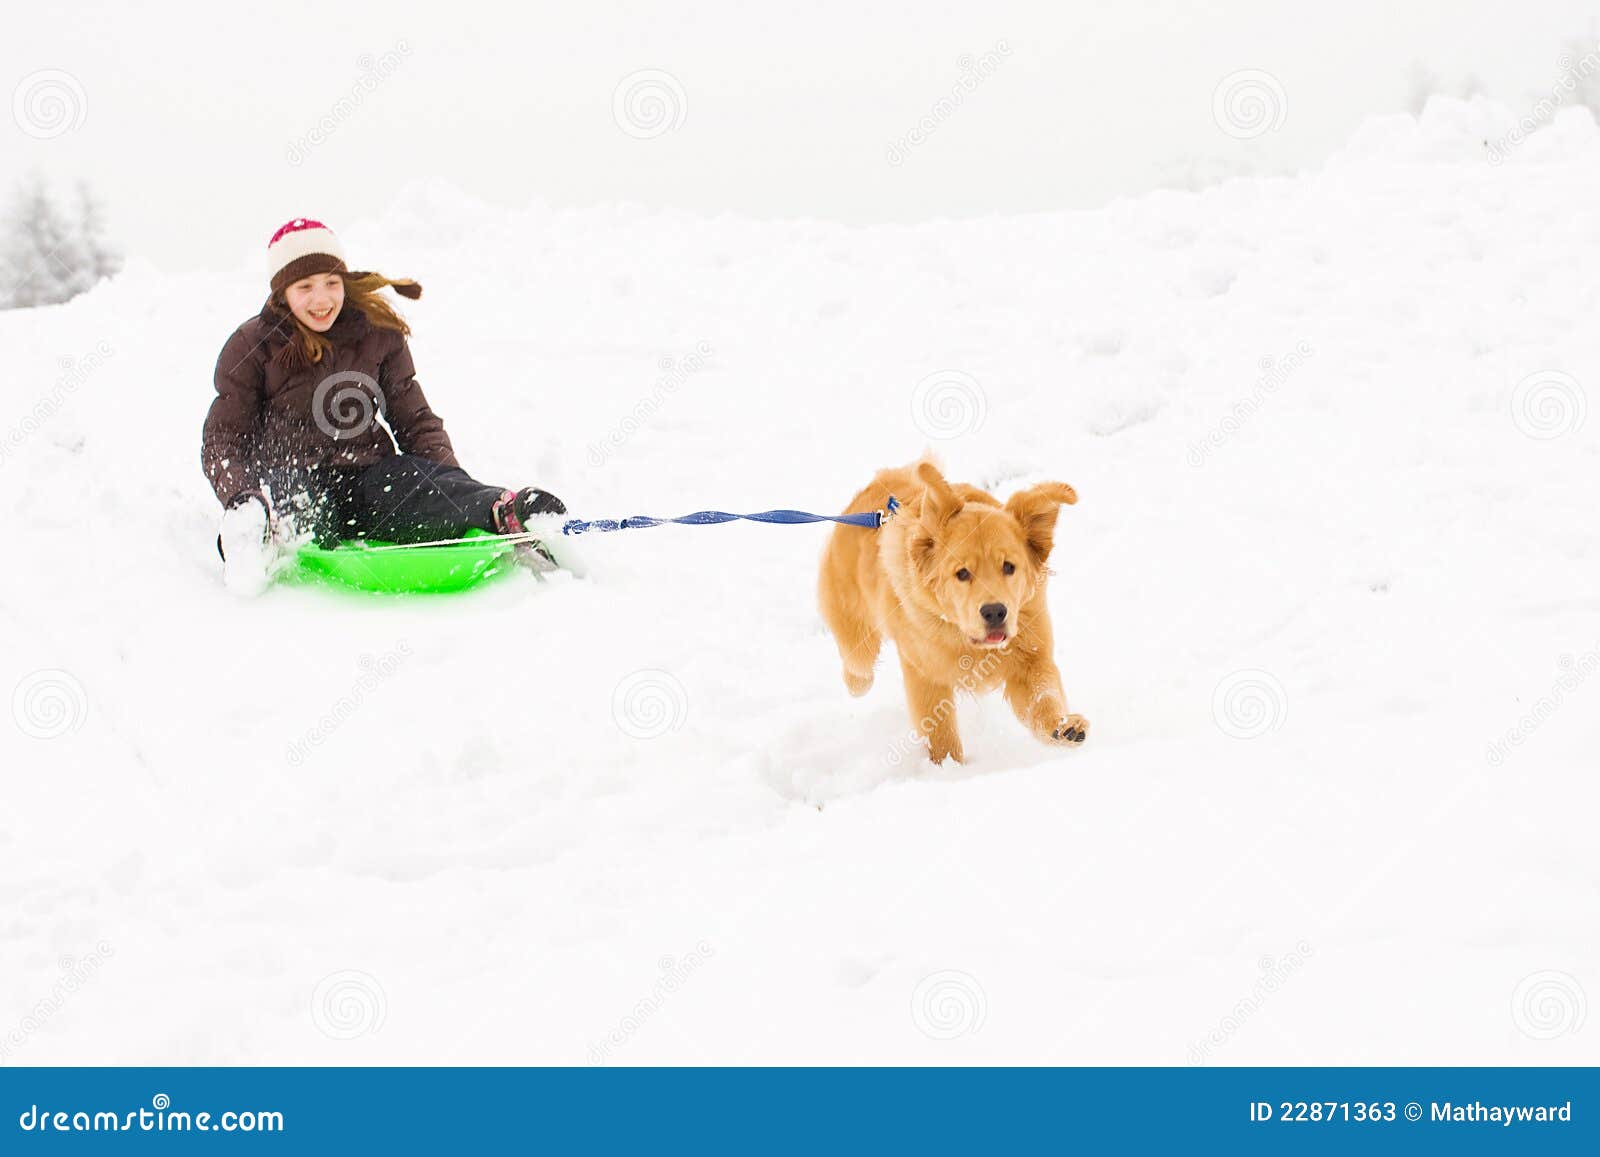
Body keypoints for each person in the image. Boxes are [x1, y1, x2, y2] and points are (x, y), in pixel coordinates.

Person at [202, 217, 564, 592]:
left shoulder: (375, 333)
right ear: (282, 293)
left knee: (414, 486)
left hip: (368, 477)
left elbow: (415, 421)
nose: (322, 298)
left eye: (331, 283)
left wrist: (451, 488)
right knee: (300, 510)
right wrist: (244, 496)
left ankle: (510, 516)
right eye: (305, 286)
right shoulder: (252, 347)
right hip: (292, 478)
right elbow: (223, 441)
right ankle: (254, 538)